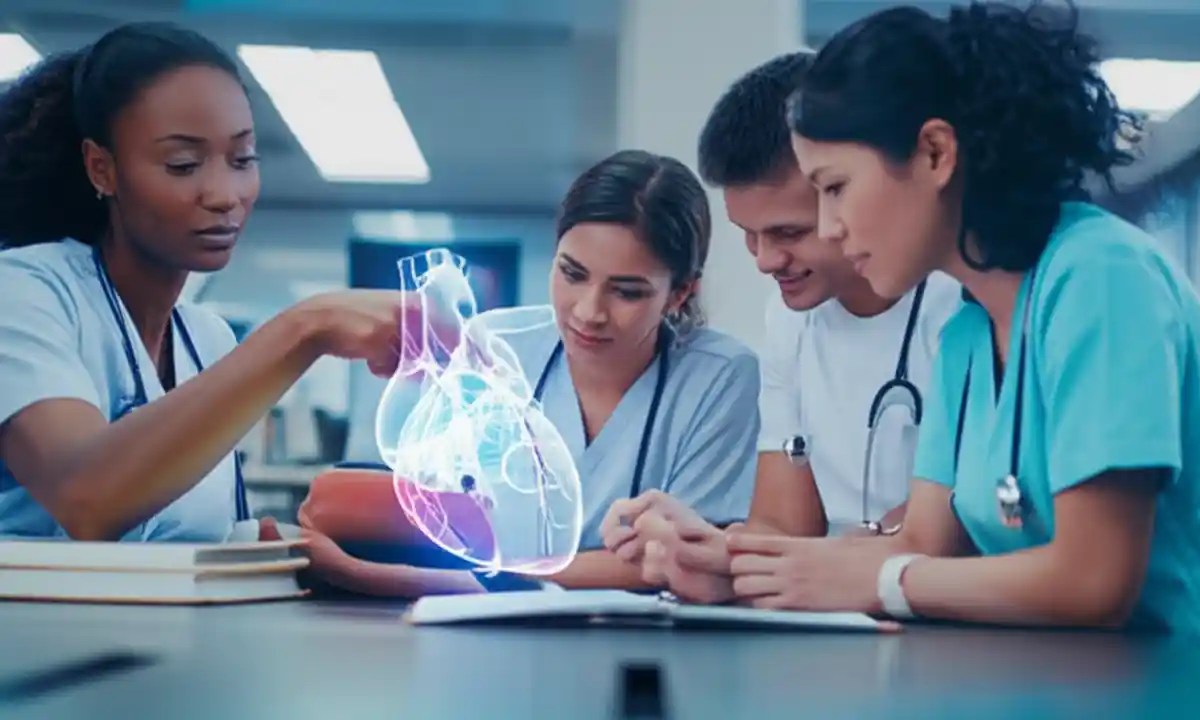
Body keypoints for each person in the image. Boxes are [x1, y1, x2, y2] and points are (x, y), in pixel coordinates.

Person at [718, 1, 1200, 682]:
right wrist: (727, 568)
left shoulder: (1100, 276)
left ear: (935, 153)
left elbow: (1093, 581)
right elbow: (925, 542)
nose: (830, 229)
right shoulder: (968, 333)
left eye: (835, 188)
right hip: (1083, 690)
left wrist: (888, 582)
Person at [0, 22, 408, 542]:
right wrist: (308, 326)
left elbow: (216, 541)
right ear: (101, 169)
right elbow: (88, 497)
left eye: (242, 160)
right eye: (183, 164)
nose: (224, 194)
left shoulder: (206, 339)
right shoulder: (23, 293)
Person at [298, 149, 761, 593]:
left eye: (626, 292)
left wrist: (495, 575)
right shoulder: (495, 344)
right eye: (572, 273)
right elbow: (429, 519)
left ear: (679, 294)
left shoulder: (719, 377)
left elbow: (685, 563)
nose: (588, 312)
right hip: (476, 623)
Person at [598, 52, 960, 603]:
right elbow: (782, 526)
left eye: (789, 232)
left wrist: (809, 561)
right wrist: (708, 549)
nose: (766, 260)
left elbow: (946, 528)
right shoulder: (790, 320)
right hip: (836, 620)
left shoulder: (957, 304)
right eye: (748, 234)